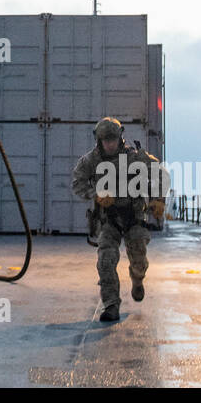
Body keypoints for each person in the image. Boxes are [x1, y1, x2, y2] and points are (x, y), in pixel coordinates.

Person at [72, 117, 167, 321]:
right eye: (105, 140)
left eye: (113, 139)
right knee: (105, 261)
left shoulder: (134, 157)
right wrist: (95, 194)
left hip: (134, 215)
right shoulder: (91, 160)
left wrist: (158, 199)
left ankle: (137, 279)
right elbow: (77, 183)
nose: (110, 144)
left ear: (120, 137)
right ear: (99, 140)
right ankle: (111, 305)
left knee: (139, 260)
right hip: (109, 218)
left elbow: (160, 172)